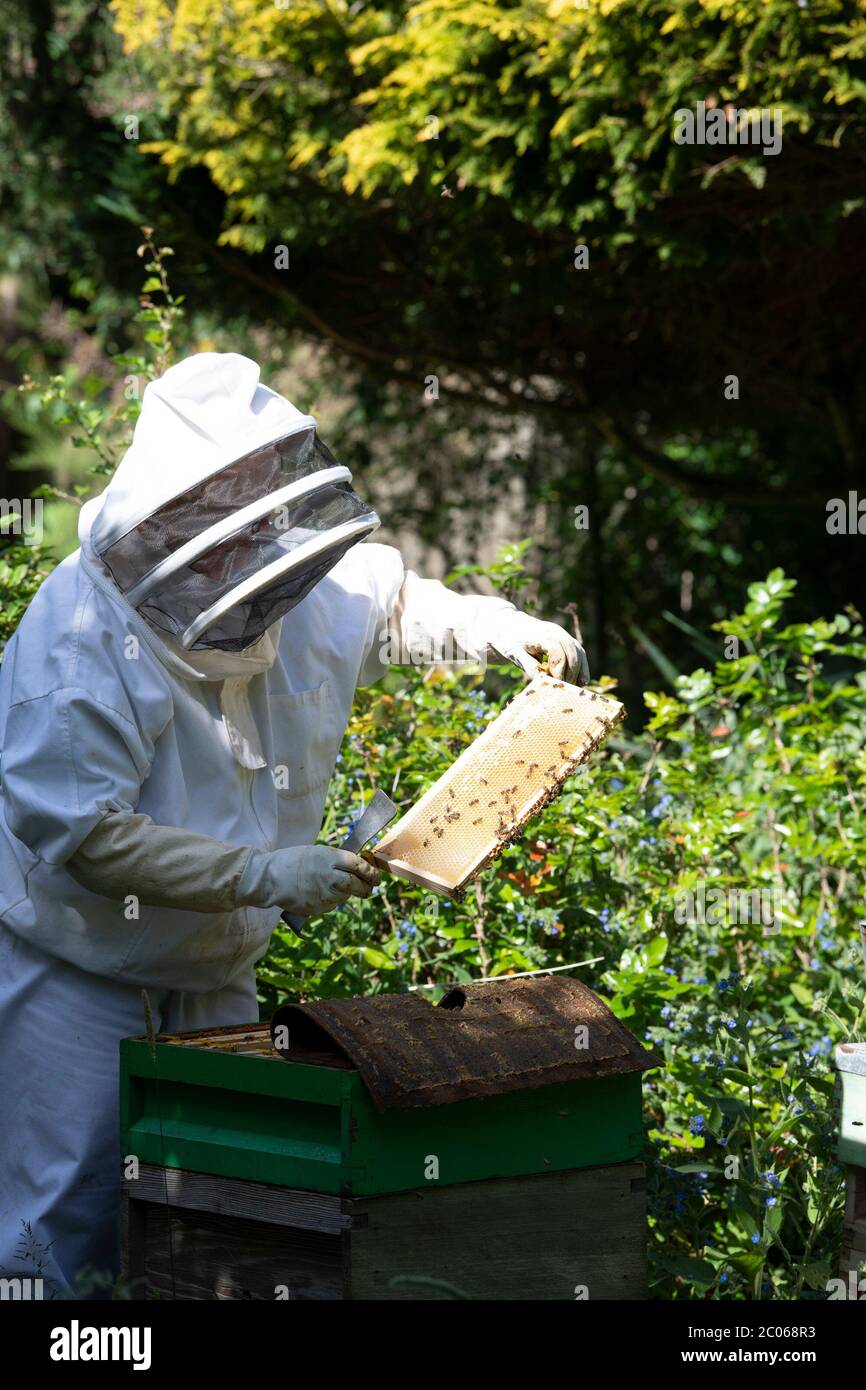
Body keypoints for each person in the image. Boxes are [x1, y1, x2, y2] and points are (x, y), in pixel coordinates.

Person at [0, 352, 587, 1295]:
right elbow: (87, 835)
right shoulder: (78, 642)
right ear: (176, 511)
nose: (242, 542)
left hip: (218, 975)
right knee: (54, 1238)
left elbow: (389, 601)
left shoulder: (286, 575)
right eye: (219, 508)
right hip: (82, 977)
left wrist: (490, 624)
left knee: (211, 1231)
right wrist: (266, 876)